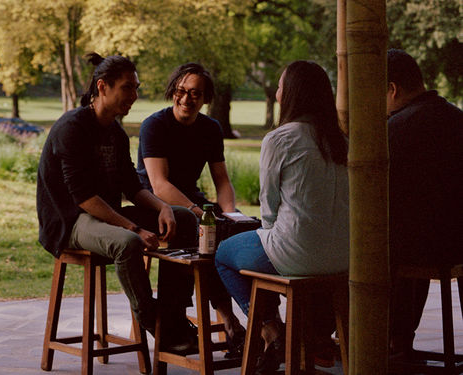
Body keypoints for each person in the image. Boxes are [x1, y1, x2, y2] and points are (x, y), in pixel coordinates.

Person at [37, 53, 199, 353]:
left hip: (105, 215)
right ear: (102, 87)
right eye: (127, 88)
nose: (135, 96)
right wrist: (134, 228)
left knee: (184, 218)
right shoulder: (71, 127)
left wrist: (163, 207)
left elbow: (132, 187)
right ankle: (155, 323)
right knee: (127, 243)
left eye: (136, 88)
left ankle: (173, 314)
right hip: (70, 220)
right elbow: (84, 198)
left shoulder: (116, 132)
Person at [214, 60, 349, 375]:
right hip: (344, 256)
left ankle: (271, 329)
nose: (275, 92)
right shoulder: (341, 140)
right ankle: (313, 336)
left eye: (279, 86)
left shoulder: (280, 139)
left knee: (223, 254)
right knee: (273, 253)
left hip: (296, 252)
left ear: (291, 95)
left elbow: (268, 208)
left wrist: (275, 238)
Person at [137, 62, 245, 355]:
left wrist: (230, 214)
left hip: (192, 205)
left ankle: (236, 322)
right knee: (197, 229)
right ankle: (178, 322)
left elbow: (221, 180)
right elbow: (159, 185)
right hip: (154, 205)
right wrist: (201, 214)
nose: (186, 99)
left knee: (231, 234)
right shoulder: (154, 125)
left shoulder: (210, 128)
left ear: (205, 98)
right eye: (180, 91)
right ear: (173, 91)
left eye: (195, 94)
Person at [386, 48, 463, 360]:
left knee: (386, 241)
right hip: (458, 242)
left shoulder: (396, 130)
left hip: (419, 248)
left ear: (392, 89)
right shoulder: (458, 119)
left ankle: (393, 338)